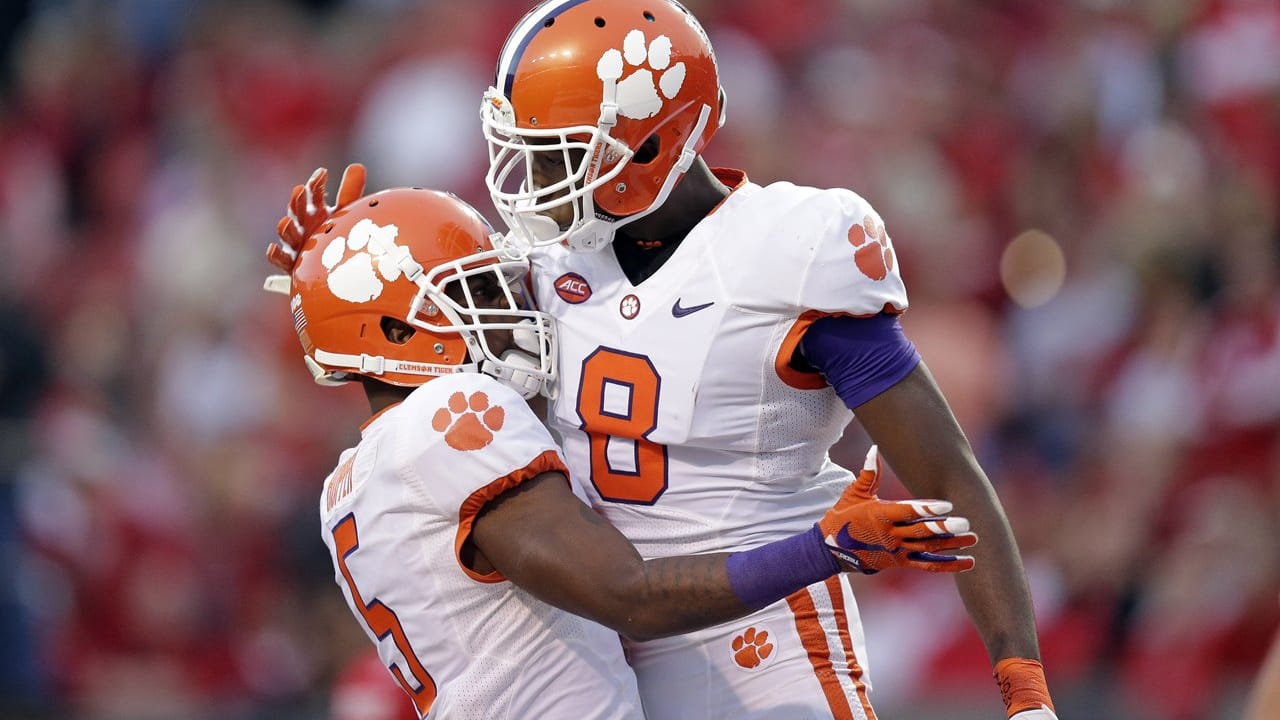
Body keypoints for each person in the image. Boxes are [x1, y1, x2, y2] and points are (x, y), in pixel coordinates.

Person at [474, 0, 1059, 718]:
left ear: (651, 143)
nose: (532, 174)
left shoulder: (788, 251)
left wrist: (1023, 687)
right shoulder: (543, 267)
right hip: (603, 659)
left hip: (765, 655)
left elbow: (948, 475)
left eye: (557, 152)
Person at [263, 175, 978, 718]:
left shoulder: (346, 486)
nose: (508, 310)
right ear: (393, 332)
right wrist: (825, 548)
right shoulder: (456, 410)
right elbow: (631, 597)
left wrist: (329, 270)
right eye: (473, 292)